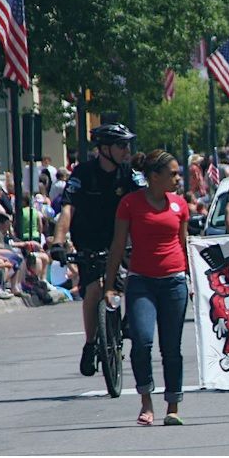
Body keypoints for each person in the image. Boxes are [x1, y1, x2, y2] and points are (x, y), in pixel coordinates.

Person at [104, 150, 190, 426]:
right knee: (141, 341)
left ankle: (173, 406)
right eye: (173, 173)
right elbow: (118, 245)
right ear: (154, 177)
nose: (178, 178)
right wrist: (110, 284)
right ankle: (146, 401)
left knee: (171, 347)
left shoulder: (180, 205)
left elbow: (184, 244)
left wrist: (194, 280)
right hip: (141, 281)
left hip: (174, 281)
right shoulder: (130, 204)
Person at [50, 123, 143, 376]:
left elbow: (145, 204)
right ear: (104, 149)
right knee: (93, 290)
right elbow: (67, 209)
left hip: (120, 237)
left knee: (138, 276)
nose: (127, 150)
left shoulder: (130, 172)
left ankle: (129, 321)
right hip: (89, 239)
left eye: (127, 145)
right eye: (121, 145)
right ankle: (91, 345)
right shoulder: (83, 173)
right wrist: (58, 242)